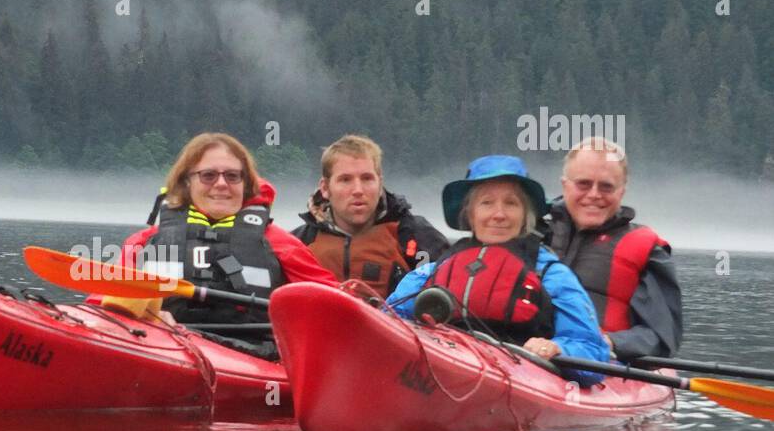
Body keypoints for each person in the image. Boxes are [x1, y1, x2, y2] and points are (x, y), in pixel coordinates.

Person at [387, 155, 611, 384]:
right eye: (487, 203)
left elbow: (591, 348)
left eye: (511, 203)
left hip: (521, 379)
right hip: (444, 370)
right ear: (470, 214)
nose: (499, 214)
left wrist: (556, 347)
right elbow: (388, 323)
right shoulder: (429, 274)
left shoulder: (552, 275)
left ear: (525, 215)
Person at [110, 132, 337, 326]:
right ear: (187, 182)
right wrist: (148, 318)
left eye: (232, 176)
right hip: (163, 342)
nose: (221, 184)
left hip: (253, 352)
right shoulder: (144, 242)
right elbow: (104, 307)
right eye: (208, 175)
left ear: (245, 184)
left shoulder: (279, 243)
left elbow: (333, 303)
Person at [544, 137, 683, 360]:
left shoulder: (648, 251)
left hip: (599, 368)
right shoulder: (533, 235)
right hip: (526, 355)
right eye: (584, 184)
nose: (594, 195)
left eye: (606, 187)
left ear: (621, 192)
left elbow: (660, 336)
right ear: (565, 185)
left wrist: (609, 342)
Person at [292, 134, 449, 297]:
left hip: (393, 321)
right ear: (325, 188)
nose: (358, 190)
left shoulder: (415, 236)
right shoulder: (297, 244)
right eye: (345, 180)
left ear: (380, 184)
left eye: (367, 179)